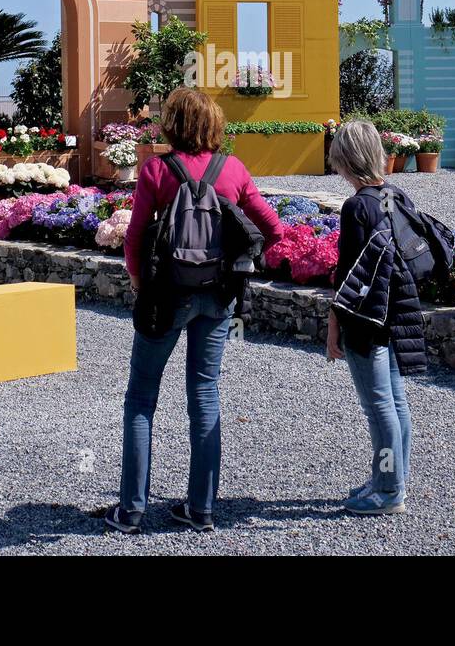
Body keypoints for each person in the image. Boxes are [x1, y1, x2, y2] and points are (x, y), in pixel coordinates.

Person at [104, 87, 283, 534]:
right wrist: (242, 262)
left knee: (142, 398)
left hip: (166, 295)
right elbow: (272, 227)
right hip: (217, 297)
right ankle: (200, 508)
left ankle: (131, 511)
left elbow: (135, 237)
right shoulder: (234, 169)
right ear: (214, 124)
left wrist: (138, 281)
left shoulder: (157, 171)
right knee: (204, 396)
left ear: (173, 125)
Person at [326, 119, 427, 516]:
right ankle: (391, 479)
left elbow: (348, 274)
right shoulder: (394, 195)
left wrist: (334, 323)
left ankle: (388, 491)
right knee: (395, 402)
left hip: (365, 318)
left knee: (378, 406)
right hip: (394, 311)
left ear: (344, 158)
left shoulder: (356, 207)